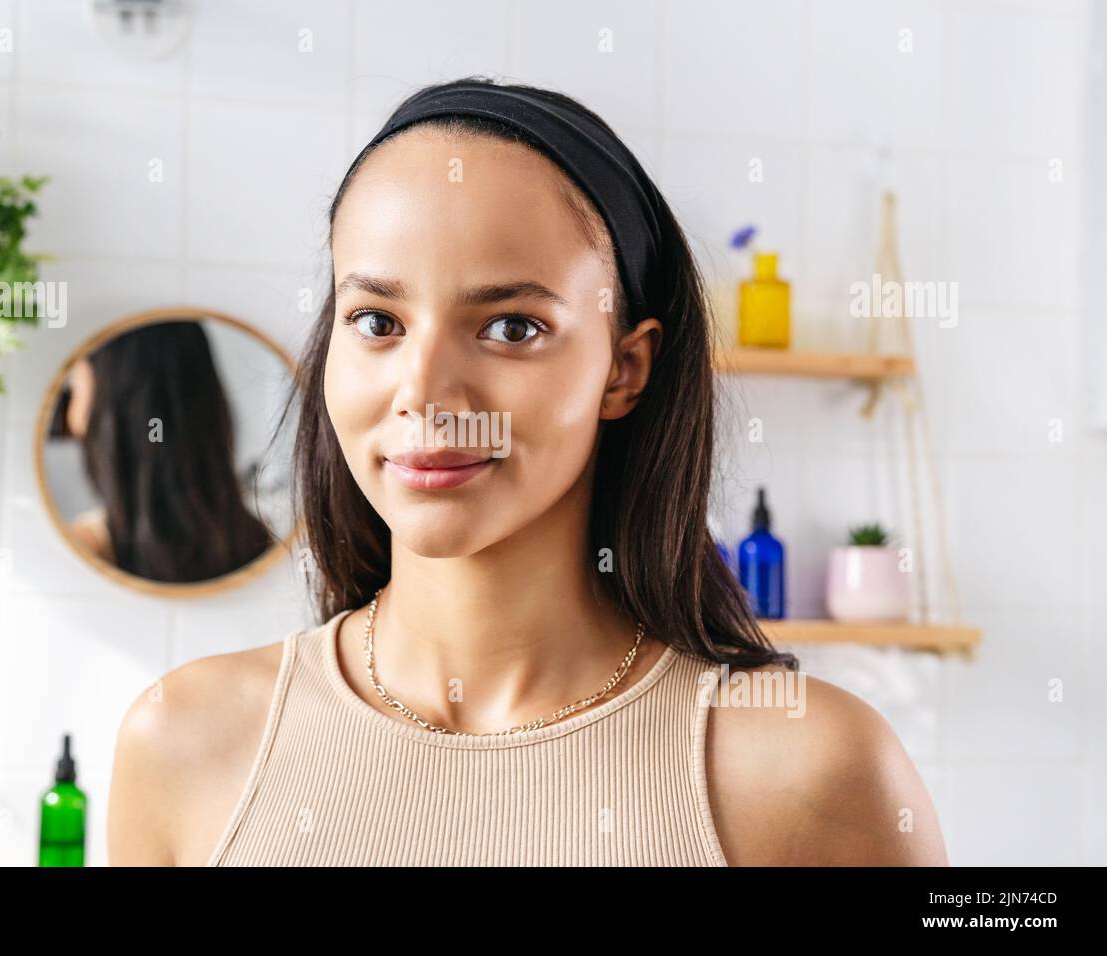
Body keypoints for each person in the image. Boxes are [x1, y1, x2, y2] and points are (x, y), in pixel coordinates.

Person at [109, 78, 947, 866]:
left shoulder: (811, 771)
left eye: (512, 327)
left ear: (625, 368)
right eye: (377, 320)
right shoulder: (183, 739)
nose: (426, 394)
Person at [62, 320, 273, 584]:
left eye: (76, 387)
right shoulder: (259, 542)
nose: (71, 418)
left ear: (110, 407)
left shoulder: (80, 552)